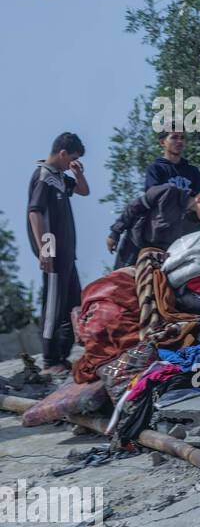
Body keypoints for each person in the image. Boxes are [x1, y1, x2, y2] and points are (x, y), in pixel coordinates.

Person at [27, 132, 89, 374]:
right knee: (53, 305)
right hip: (53, 252)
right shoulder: (44, 177)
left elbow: (84, 191)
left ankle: (63, 356)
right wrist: (45, 249)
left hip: (67, 253)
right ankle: (50, 360)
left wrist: (78, 173)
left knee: (74, 304)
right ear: (62, 153)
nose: (71, 162)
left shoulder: (60, 177)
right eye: (71, 158)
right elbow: (35, 212)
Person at [107, 183, 200, 268]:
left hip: (155, 260)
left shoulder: (196, 227)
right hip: (133, 245)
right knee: (119, 284)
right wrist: (115, 232)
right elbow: (134, 207)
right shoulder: (168, 192)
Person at [145, 126, 200, 193]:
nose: (180, 141)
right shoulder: (155, 169)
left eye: (182, 138)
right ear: (162, 142)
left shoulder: (193, 171)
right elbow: (153, 197)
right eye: (174, 137)